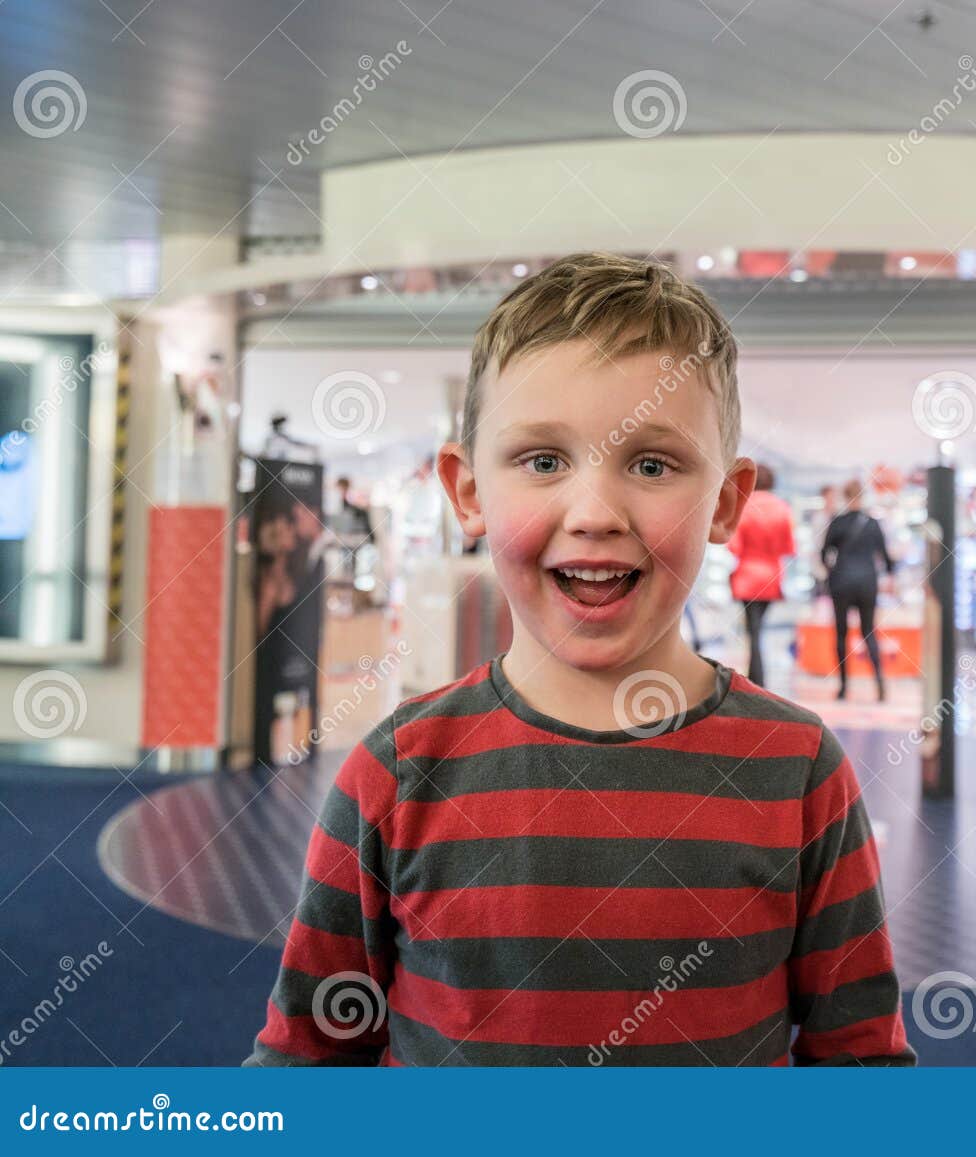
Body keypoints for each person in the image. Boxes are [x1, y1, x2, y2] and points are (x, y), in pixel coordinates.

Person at [245, 253, 913, 1068]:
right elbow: (309, 1057)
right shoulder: (396, 775)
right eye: (543, 460)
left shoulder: (799, 773)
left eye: (653, 464)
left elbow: (861, 1059)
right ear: (467, 492)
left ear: (726, 502)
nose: (594, 514)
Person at [822, 478, 894, 702]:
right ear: (862, 497)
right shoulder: (873, 524)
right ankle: (880, 681)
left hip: (841, 581)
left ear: (845, 496)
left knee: (841, 634)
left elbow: (824, 553)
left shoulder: (837, 522)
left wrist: (833, 568)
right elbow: (887, 558)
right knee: (868, 632)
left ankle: (843, 687)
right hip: (867, 583)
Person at [726, 461, 794, 687]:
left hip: (747, 576)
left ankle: (756, 680)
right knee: (758, 631)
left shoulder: (743, 507)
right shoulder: (782, 508)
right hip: (772, 577)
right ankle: (757, 679)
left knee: (753, 632)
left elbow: (734, 547)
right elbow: (788, 548)